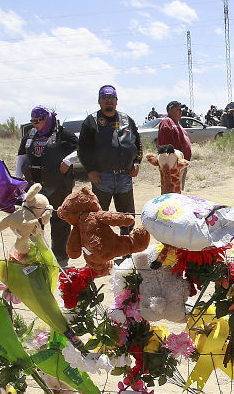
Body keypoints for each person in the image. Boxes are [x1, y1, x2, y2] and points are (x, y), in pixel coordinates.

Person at [16, 105, 79, 265]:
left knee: (59, 220)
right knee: (32, 220)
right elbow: (21, 157)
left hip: (58, 185)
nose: (35, 123)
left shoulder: (63, 134)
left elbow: (82, 149)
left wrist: (68, 160)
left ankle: (60, 257)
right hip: (34, 186)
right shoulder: (30, 134)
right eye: (32, 120)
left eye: (38, 120)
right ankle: (36, 256)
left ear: (48, 119)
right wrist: (17, 180)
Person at [77, 85, 142, 234]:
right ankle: (100, 252)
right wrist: (91, 170)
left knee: (127, 217)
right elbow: (82, 149)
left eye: (111, 97)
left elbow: (138, 143)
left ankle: (126, 251)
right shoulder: (91, 121)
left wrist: (137, 162)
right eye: (105, 98)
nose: (108, 101)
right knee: (98, 216)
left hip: (125, 176)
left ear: (116, 101)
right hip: (101, 177)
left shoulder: (127, 120)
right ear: (99, 101)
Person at [157, 100, 193, 191]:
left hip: (181, 164)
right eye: (178, 109)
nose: (180, 112)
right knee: (172, 193)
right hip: (172, 167)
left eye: (181, 110)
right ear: (170, 110)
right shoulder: (167, 122)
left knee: (179, 191)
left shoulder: (177, 123)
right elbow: (164, 146)